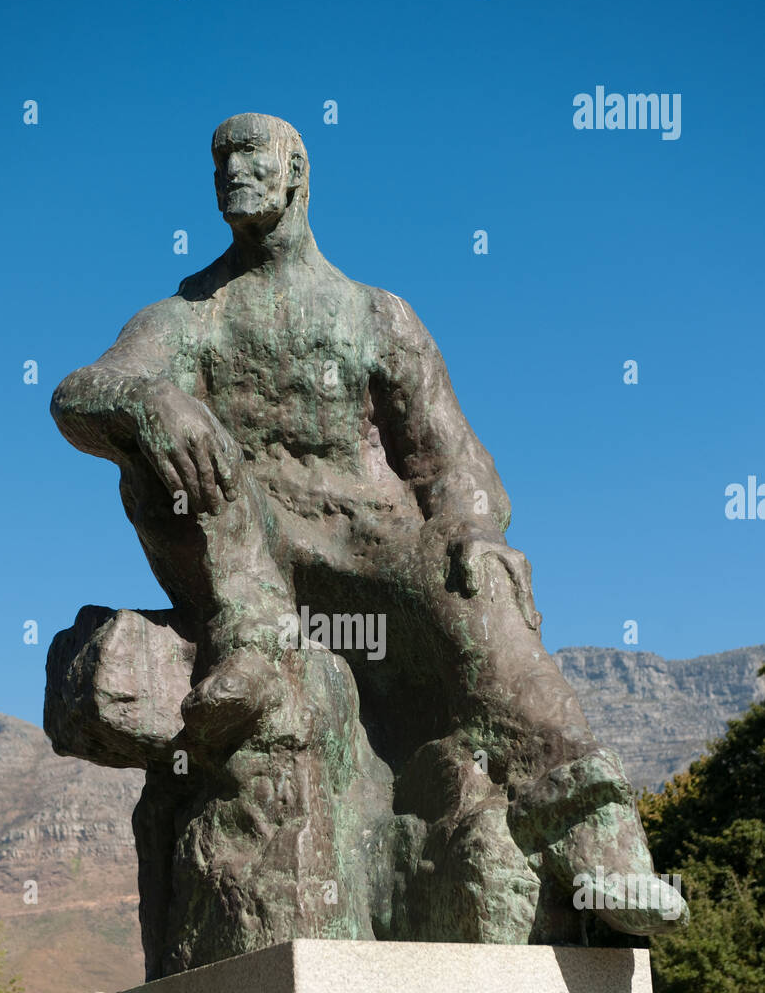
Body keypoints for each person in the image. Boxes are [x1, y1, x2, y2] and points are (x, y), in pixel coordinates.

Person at [51, 112, 690, 950]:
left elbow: (451, 458)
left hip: (371, 548)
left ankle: (594, 827)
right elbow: (77, 394)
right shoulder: (185, 317)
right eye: (220, 160)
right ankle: (254, 639)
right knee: (178, 458)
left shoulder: (376, 315)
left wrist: (469, 525)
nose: (234, 172)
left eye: (253, 156)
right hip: (247, 551)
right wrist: (149, 399)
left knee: (477, 574)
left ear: (296, 172)